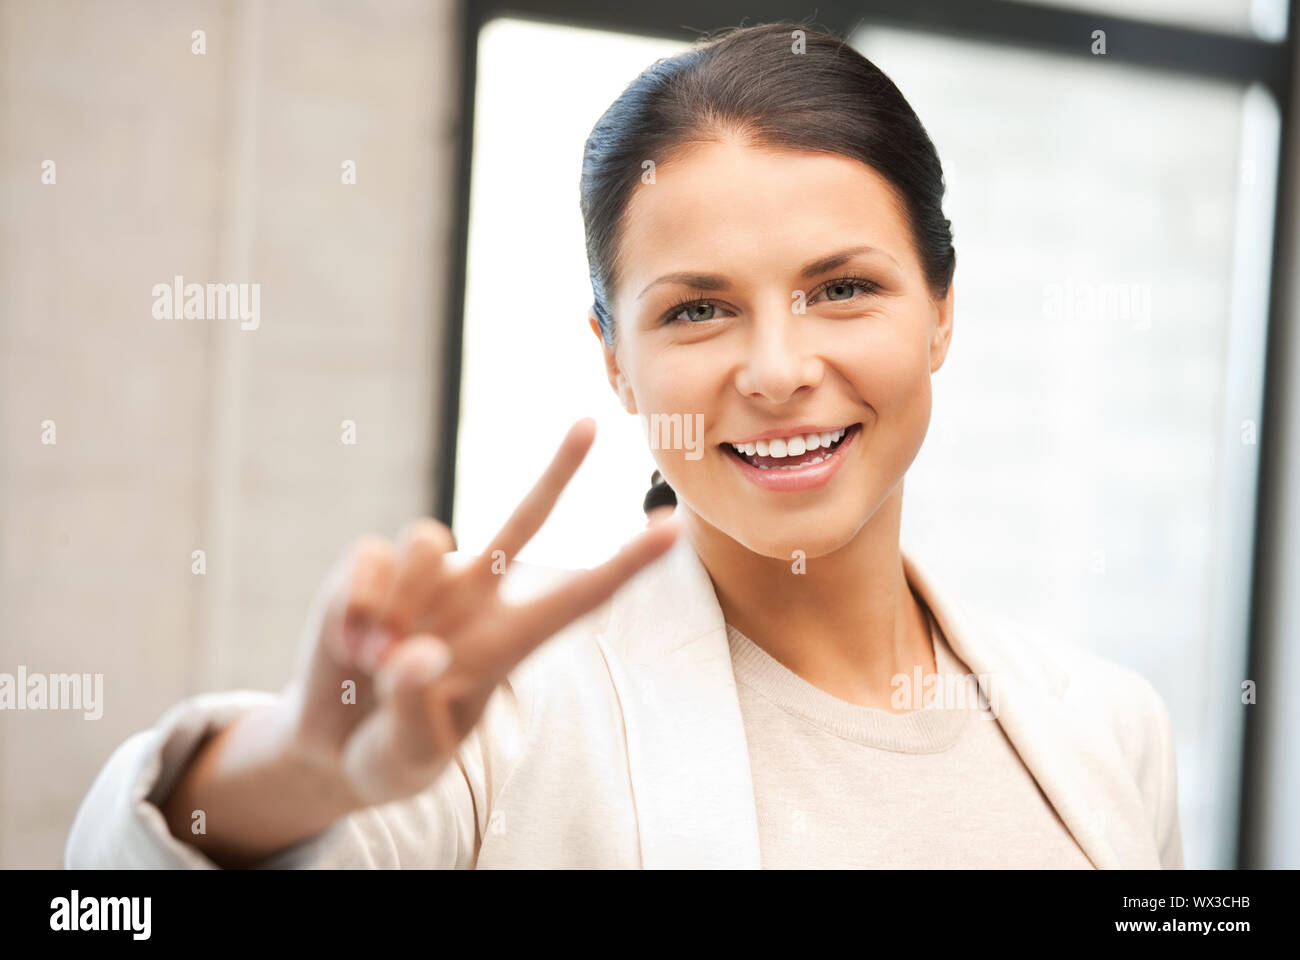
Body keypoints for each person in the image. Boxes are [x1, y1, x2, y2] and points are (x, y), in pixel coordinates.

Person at [65, 21, 1183, 869]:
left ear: (940, 310)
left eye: (842, 288)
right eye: (696, 309)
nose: (777, 369)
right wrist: (295, 773)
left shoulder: (1105, 728)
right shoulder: (494, 712)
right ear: (612, 356)